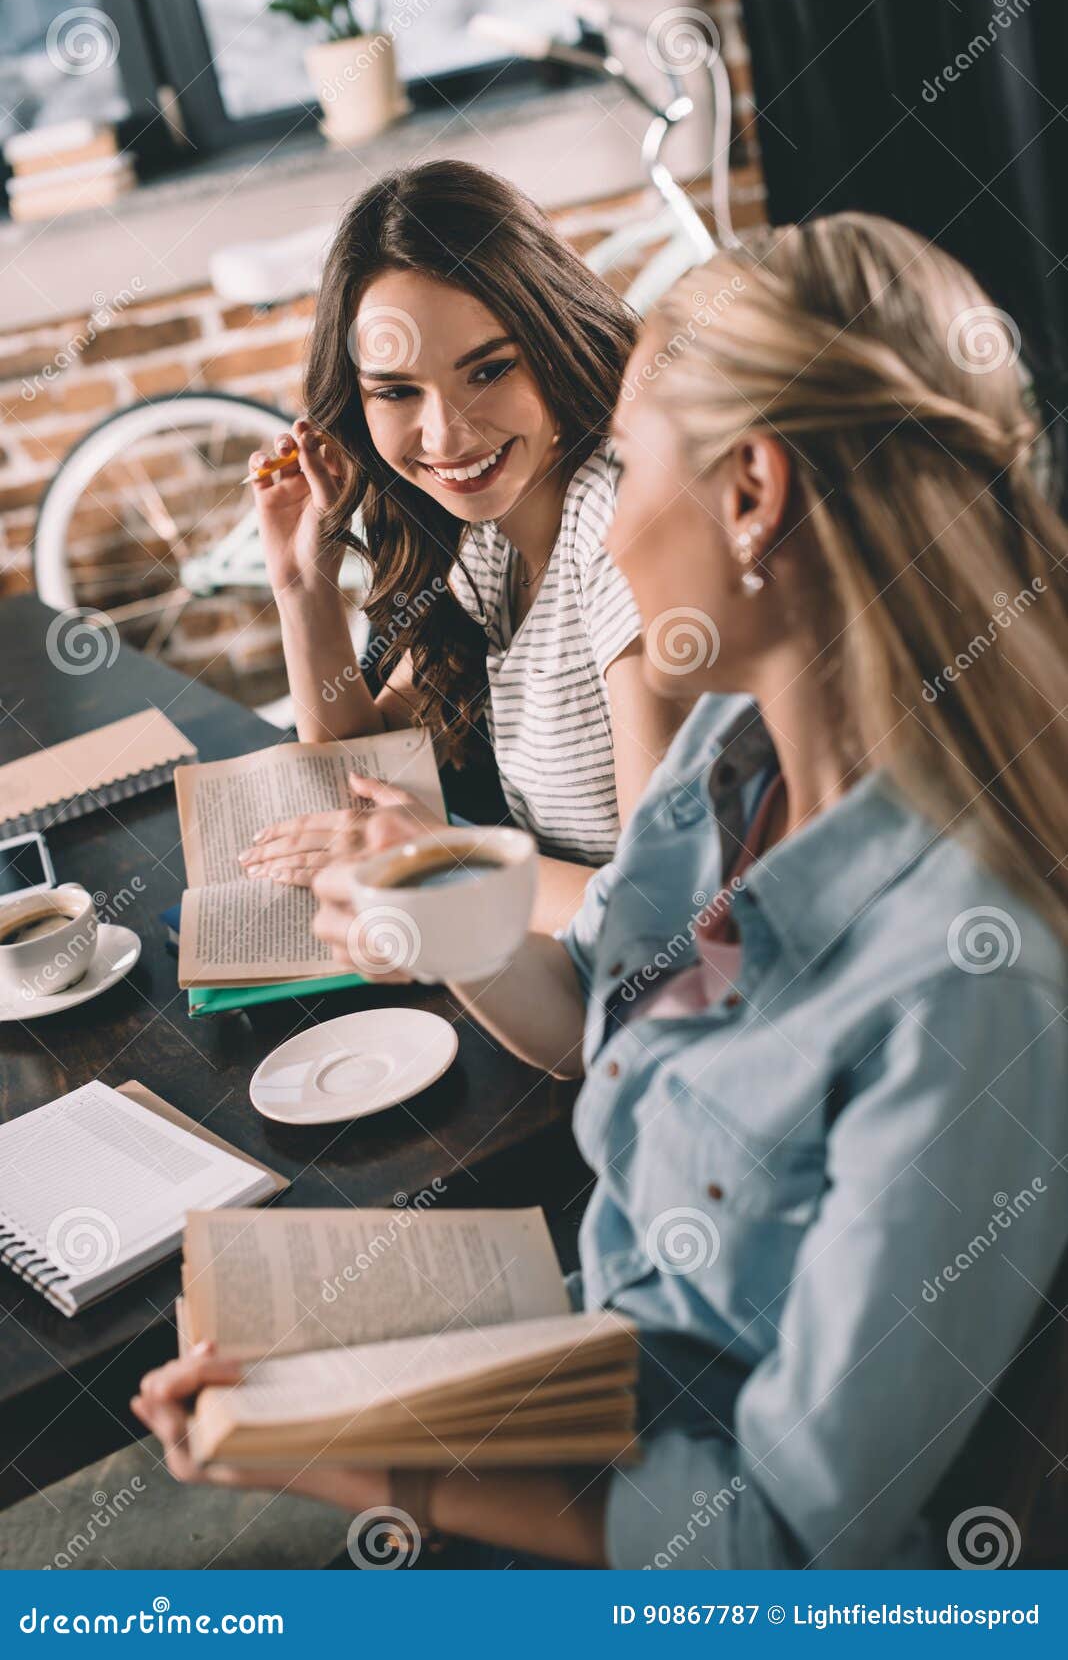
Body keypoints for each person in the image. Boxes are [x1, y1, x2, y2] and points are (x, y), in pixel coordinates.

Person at [134, 214, 1068, 1568]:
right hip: (603, 1365)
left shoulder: (966, 987)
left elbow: (778, 1551)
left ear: (752, 492)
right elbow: (592, 1016)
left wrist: (372, 1460)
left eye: (629, 465)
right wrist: (437, 922)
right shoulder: (724, 759)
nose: (609, 524)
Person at [235, 159, 683, 932]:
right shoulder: (492, 543)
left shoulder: (617, 526)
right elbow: (359, 764)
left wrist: (435, 857)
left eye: (488, 369)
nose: (446, 434)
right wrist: (302, 583)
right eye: (397, 391)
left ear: (555, 338)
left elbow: (660, 910)